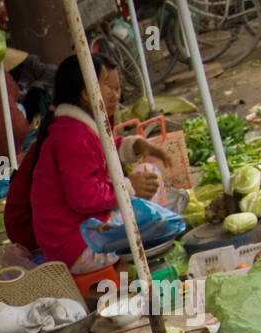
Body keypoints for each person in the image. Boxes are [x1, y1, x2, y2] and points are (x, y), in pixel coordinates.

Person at [24, 53, 169, 274]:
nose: (116, 95)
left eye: (118, 88)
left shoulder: (77, 127)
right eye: (109, 88)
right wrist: (128, 187)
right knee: (151, 193)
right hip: (77, 246)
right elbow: (84, 196)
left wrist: (136, 146)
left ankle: (131, 263)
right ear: (85, 93)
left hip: (79, 234)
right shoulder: (72, 135)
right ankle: (138, 263)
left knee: (149, 176)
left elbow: (101, 154)